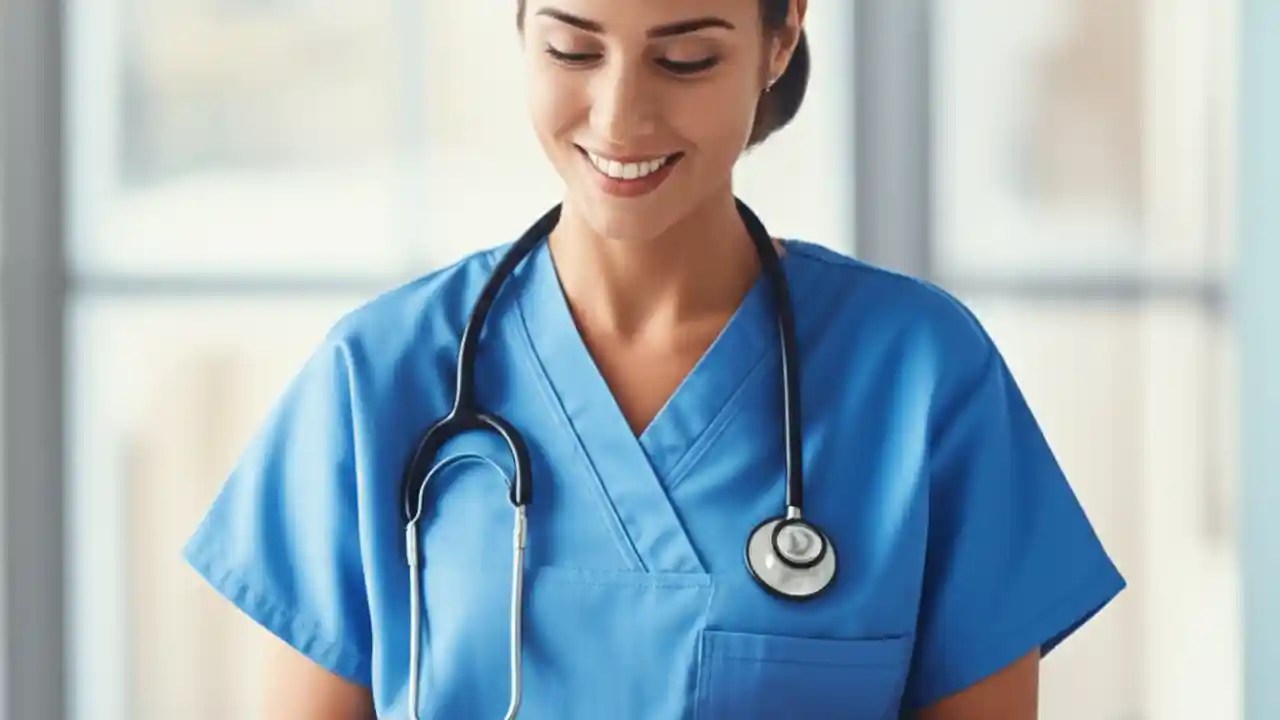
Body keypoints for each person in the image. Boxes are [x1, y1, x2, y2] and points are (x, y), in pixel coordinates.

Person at [182, 1, 1126, 718]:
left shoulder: (920, 379)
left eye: (685, 58)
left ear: (781, 37)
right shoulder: (376, 382)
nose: (621, 115)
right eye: (572, 50)